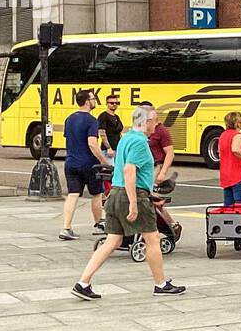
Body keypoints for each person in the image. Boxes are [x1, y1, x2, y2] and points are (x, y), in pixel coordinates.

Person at [72, 104, 185, 301]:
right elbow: (129, 171)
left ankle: (83, 283)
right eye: (155, 120)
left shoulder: (125, 139)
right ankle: (160, 284)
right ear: (146, 122)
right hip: (132, 195)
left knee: (112, 241)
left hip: (115, 193)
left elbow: (125, 170)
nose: (156, 124)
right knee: (152, 238)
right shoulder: (140, 142)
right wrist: (134, 202)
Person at [60, 90, 110, 241]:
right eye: (93, 98)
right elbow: (92, 144)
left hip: (71, 162)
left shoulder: (69, 119)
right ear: (87, 102)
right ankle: (98, 223)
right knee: (96, 193)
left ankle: (66, 228)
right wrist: (104, 161)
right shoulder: (91, 120)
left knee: (73, 194)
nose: (95, 101)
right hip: (89, 164)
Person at [140, 102, 180, 240]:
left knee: (151, 199)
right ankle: (171, 225)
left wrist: (163, 172)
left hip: (154, 167)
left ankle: (169, 225)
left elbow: (170, 153)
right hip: (142, 168)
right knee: (152, 200)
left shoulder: (161, 130)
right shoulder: (140, 129)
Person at [218, 110, 241, 206]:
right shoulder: (237, 135)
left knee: (228, 206)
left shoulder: (223, 135)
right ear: (237, 123)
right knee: (240, 205)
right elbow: (235, 149)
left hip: (226, 175)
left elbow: (220, 153)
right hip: (238, 175)